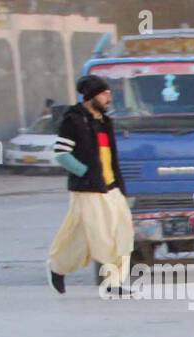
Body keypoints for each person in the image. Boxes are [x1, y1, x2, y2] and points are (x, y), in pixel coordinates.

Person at [46, 75, 133, 295]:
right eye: (104, 94)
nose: (108, 98)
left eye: (109, 94)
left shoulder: (105, 122)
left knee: (122, 233)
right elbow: (62, 154)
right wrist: (85, 173)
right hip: (88, 189)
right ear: (92, 96)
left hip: (111, 187)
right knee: (99, 236)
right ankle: (57, 267)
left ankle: (114, 282)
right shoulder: (73, 120)